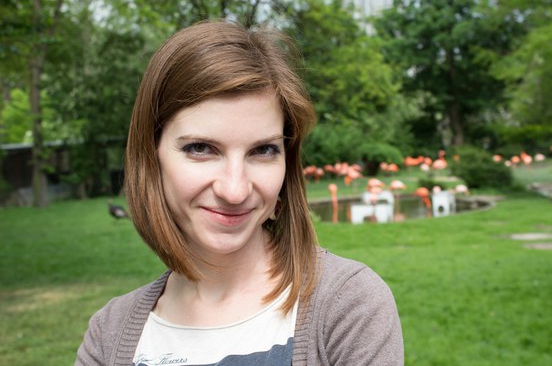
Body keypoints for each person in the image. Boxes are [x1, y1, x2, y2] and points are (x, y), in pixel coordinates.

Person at [76, 20, 403, 365]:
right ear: (151, 156)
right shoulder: (108, 334)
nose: (234, 191)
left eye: (262, 150)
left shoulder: (348, 306)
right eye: (201, 148)